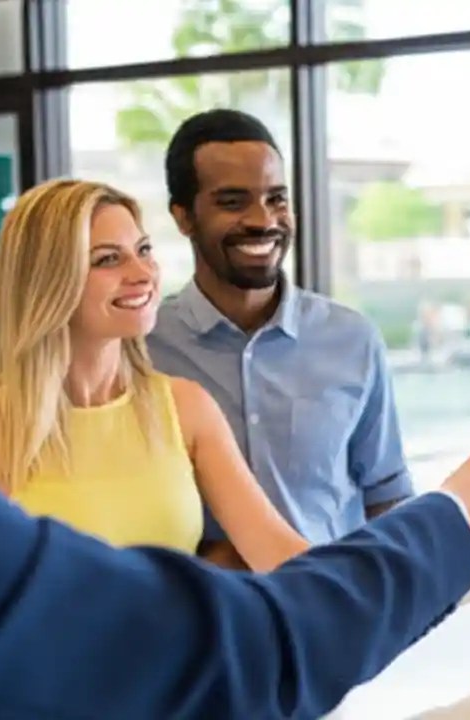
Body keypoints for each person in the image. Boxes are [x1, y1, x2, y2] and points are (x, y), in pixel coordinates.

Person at [0, 1, 470, 716]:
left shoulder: (187, 400)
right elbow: (249, 639)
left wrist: (445, 568)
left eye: (140, 251)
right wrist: (460, 508)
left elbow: (288, 572)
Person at [0, 178, 309, 570]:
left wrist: (352, 582)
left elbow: (278, 551)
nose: (143, 273)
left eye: (143, 250)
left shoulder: (185, 407)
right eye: (108, 259)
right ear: (48, 279)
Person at [147, 109, 413, 566]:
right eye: (233, 202)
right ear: (183, 217)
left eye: (276, 199)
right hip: (201, 606)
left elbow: (387, 495)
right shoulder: (141, 349)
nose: (262, 219)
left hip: (328, 602)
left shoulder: (352, 340)